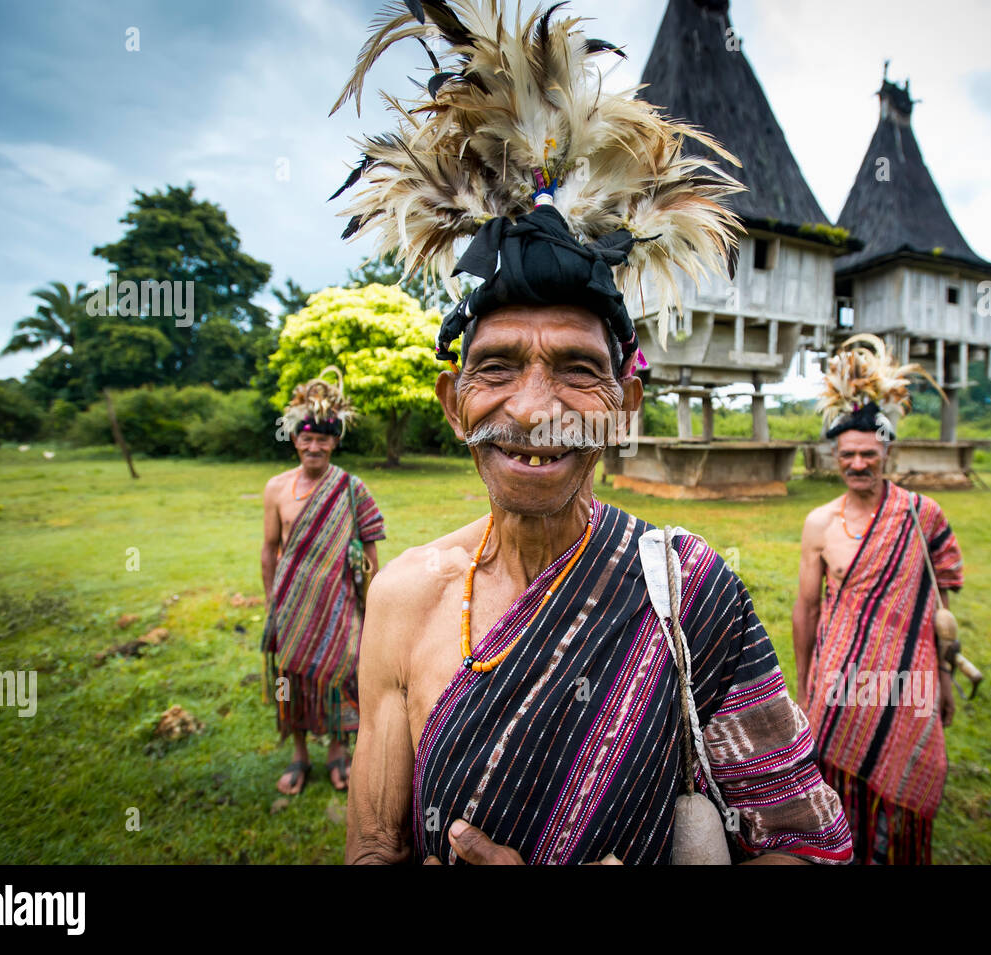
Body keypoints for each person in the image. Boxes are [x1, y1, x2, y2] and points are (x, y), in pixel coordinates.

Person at [331, 0, 851, 865]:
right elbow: (373, 847)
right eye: (495, 367)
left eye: (577, 367)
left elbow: (806, 846)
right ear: (453, 401)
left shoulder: (693, 597)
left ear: (628, 400)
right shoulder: (402, 599)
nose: (535, 407)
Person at [793, 335, 964, 864]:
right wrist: (805, 686)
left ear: (886, 453)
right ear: (835, 458)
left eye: (869, 454)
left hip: (910, 681)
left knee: (910, 777)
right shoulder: (819, 523)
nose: (859, 464)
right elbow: (806, 609)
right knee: (837, 787)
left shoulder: (922, 514)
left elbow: (943, 604)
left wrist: (946, 680)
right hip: (839, 681)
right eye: (849, 455)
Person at [261, 368, 385, 795]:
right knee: (290, 679)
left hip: (339, 603)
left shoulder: (352, 489)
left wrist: (371, 602)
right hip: (290, 604)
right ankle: (298, 757)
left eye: (323, 439)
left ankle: (337, 753)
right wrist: (270, 603)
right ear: (295, 440)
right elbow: (269, 549)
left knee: (340, 673)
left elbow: (370, 550)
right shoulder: (276, 489)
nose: (314, 446)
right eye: (307, 438)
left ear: (334, 442)